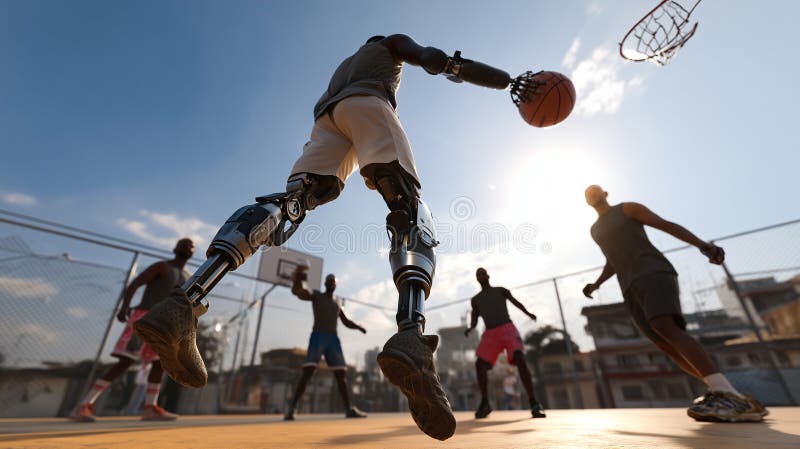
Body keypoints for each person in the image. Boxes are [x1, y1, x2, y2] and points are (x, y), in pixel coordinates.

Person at [136, 34, 517, 440]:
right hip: (368, 106)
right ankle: (412, 336)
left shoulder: (344, 66)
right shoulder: (387, 46)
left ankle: (184, 303)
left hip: (327, 121)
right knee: (408, 208)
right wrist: (446, 64)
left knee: (291, 203)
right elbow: (425, 55)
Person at [582, 185, 767, 422]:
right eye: (587, 192)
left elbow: (665, 225)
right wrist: (596, 284)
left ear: (606, 193)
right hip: (629, 286)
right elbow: (612, 260)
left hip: (652, 271)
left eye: (595, 189)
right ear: (587, 203)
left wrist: (703, 245)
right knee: (664, 343)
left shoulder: (628, 209)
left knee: (664, 326)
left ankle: (727, 394)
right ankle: (725, 392)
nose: (591, 192)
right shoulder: (595, 230)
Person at [70, 238, 194, 422]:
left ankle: (150, 407)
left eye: (191, 246)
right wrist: (124, 306)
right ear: (175, 248)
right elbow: (135, 284)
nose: (188, 247)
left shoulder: (188, 276)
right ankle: (83, 406)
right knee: (125, 362)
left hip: (165, 324)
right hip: (145, 317)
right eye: (184, 244)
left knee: (160, 363)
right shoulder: (162, 267)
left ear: (193, 252)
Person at [284, 269, 367, 420]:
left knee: (341, 375)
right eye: (329, 281)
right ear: (325, 283)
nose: (331, 284)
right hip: (318, 336)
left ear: (335, 285)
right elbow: (301, 294)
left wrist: (359, 327)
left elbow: (346, 321)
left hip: (333, 339)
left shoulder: (337, 302)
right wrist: (297, 281)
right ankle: (292, 408)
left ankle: (349, 409)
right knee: (308, 372)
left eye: (333, 282)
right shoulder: (317, 295)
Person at [464, 268, 546, 419]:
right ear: (477, 279)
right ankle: (485, 403)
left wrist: (528, 313)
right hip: (490, 333)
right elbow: (474, 319)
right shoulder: (475, 300)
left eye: (483, 273)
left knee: (520, 358)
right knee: (479, 364)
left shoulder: (501, 291)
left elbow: (516, 303)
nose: (481, 275)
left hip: (507, 328)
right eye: (478, 274)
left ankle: (534, 402)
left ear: (488, 275)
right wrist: (470, 327)